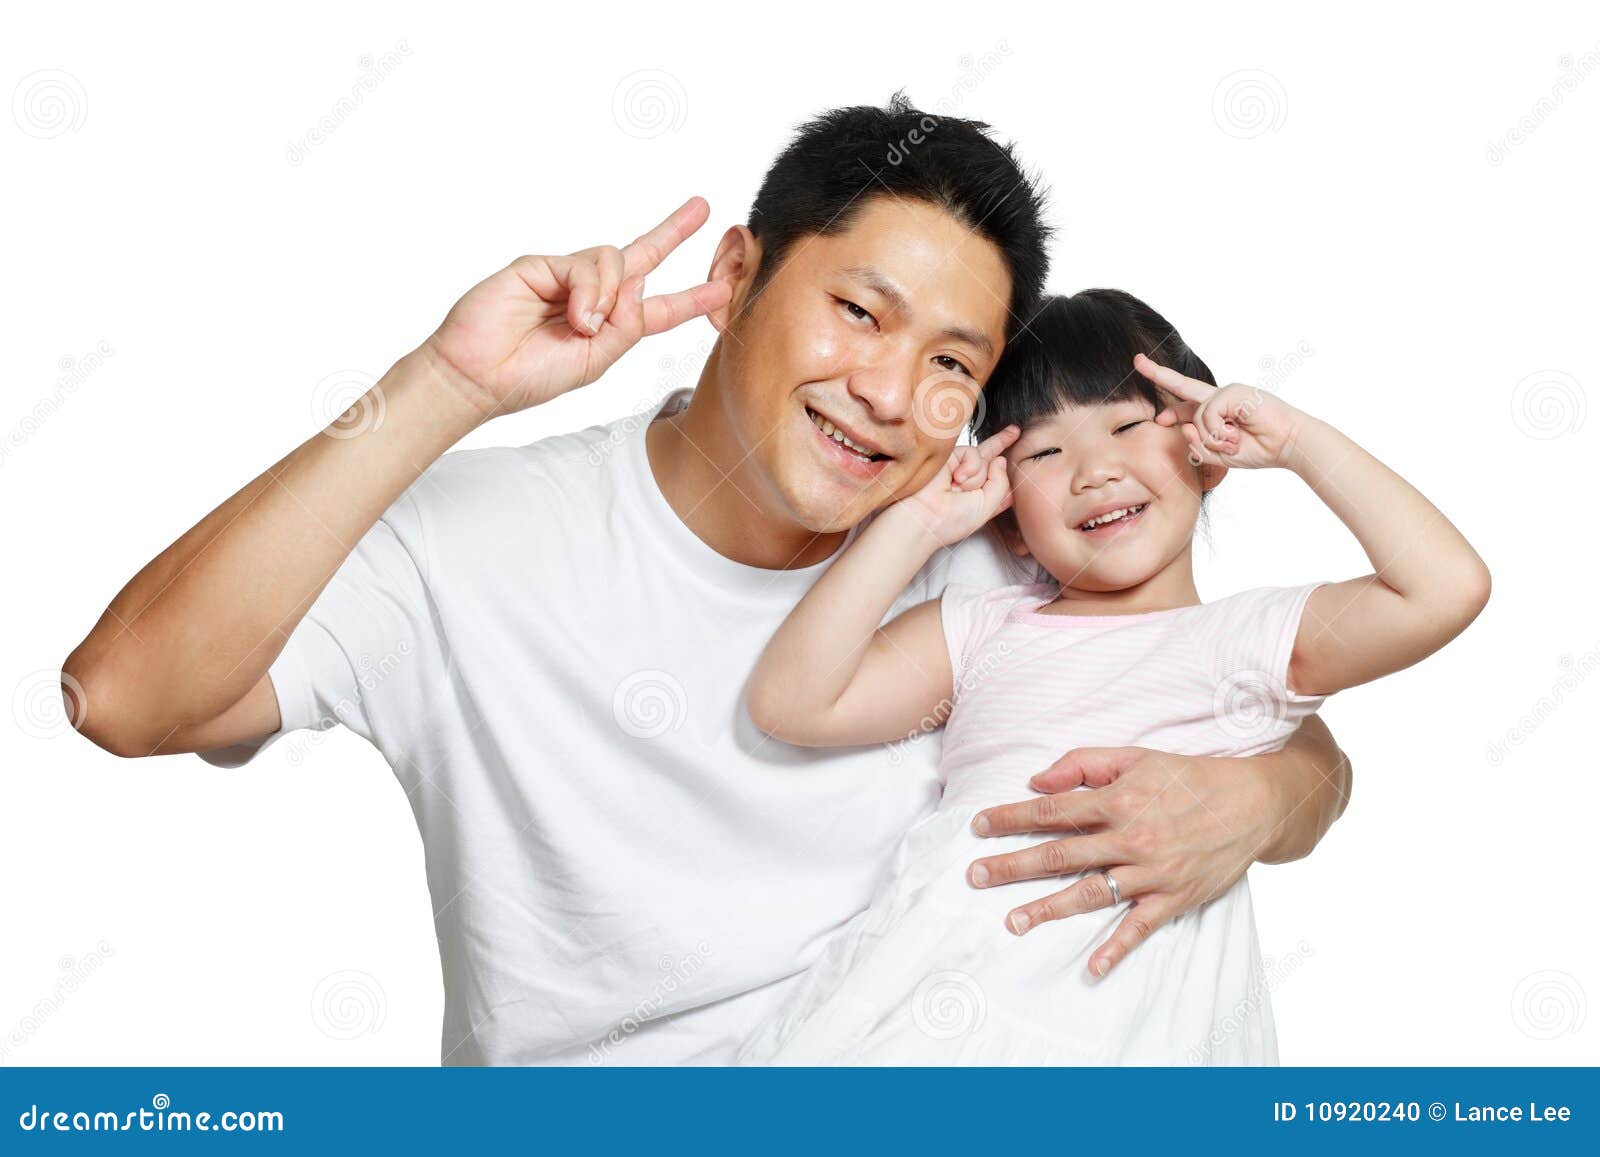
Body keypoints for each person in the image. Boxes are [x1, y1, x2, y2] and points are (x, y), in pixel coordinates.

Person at [61, 99, 1352, 1065]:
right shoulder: (477, 545)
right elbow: (125, 696)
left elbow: (1272, 722)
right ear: (736, 280)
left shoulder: (983, 528)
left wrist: (1258, 796)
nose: (894, 396)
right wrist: (445, 389)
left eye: (954, 361)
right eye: (860, 312)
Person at [740, 290, 1489, 1064]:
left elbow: (1444, 588)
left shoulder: (1248, 642)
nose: (1095, 472)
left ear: (1208, 454)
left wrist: (1296, 440)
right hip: (916, 1018)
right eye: (1044, 453)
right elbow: (793, 699)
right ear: (1008, 517)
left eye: (1129, 426)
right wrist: (920, 523)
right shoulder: (984, 628)